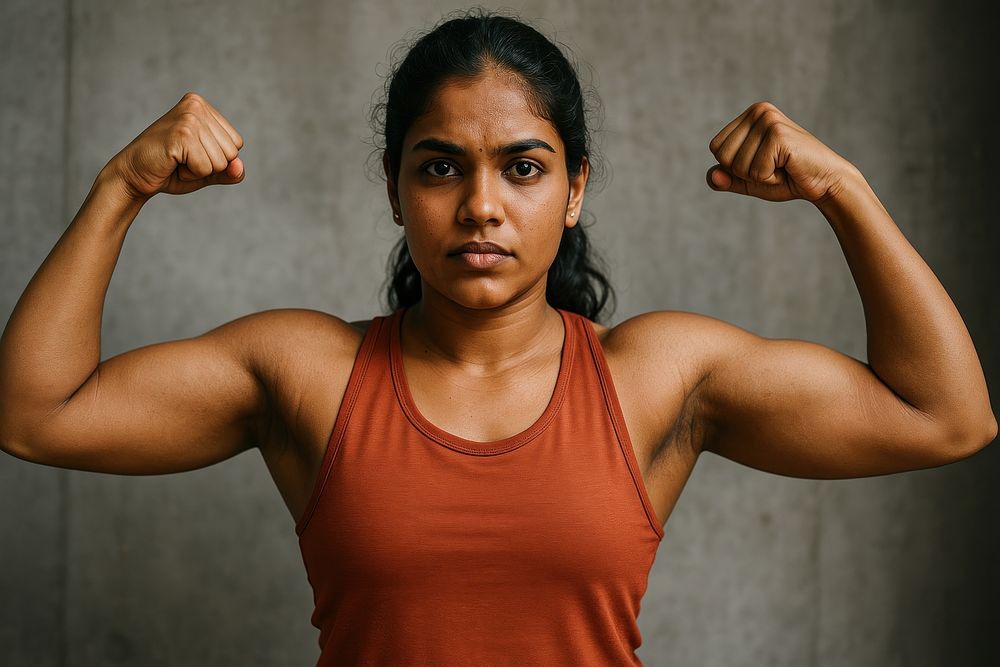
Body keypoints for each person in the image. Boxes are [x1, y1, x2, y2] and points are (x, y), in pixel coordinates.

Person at [0, 9, 995, 666]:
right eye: (440, 169)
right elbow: (36, 416)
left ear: (576, 190)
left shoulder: (655, 377)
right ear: (395, 189)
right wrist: (121, 186)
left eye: (523, 168)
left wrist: (842, 191)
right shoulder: (305, 370)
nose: (481, 206)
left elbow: (945, 417)